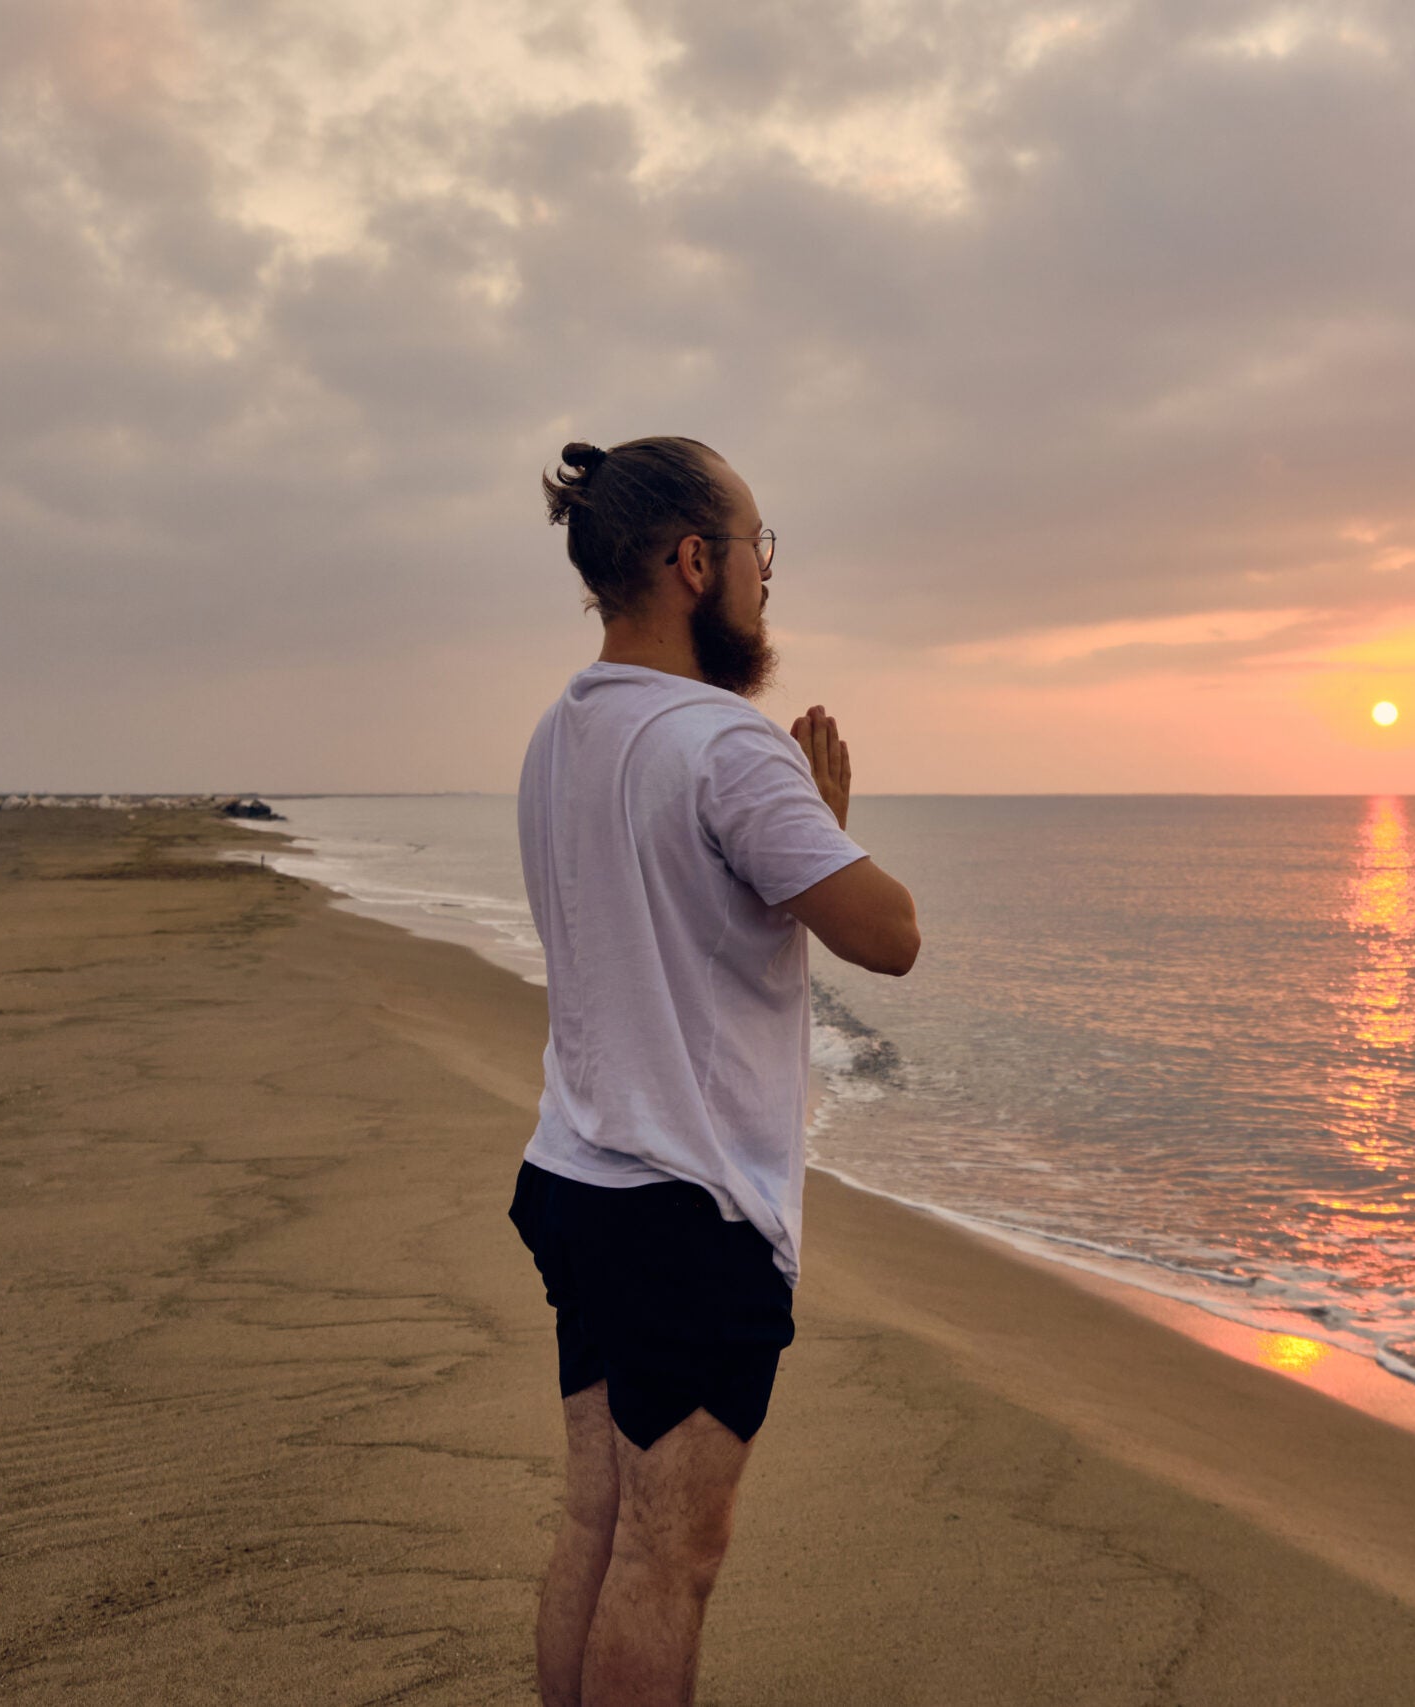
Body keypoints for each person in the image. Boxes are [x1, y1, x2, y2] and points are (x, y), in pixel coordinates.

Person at [508, 436, 919, 1707]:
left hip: (578, 1171)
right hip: (689, 1206)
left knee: (599, 1524)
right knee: (670, 1553)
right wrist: (826, 829)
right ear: (696, 562)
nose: (765, 578)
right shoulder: (728, 748)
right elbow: (889, 936)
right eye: (757, 550)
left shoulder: (560, 735)